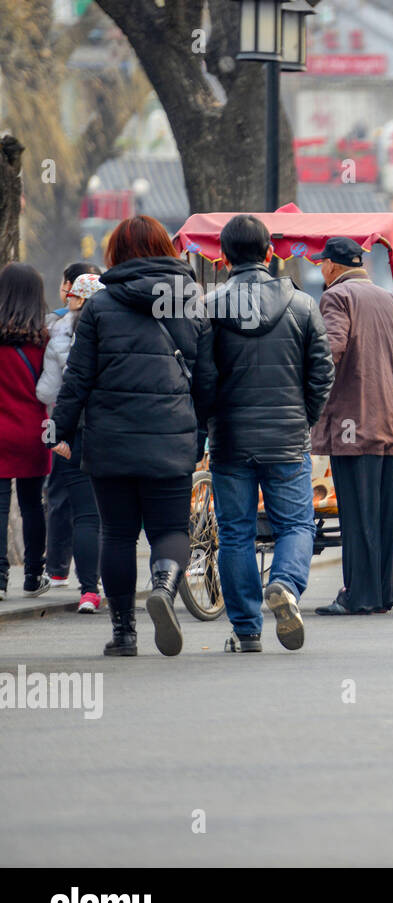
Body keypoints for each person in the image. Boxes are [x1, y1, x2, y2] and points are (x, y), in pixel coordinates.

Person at [51, 215, 217, 656]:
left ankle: (124, 632)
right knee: (169, 529)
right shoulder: (190, 302)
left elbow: (77, 378)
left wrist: (60, 429)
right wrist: (199, 432)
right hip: (172, 437)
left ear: (116, 255)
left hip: (111, 440)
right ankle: (164, 585)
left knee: (118, 534)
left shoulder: (100, 307)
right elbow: (206, 380)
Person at [203, 215, 335, 651]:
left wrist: (209, 424)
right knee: (297, 524)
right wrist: (304, 417)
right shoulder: (302, 306)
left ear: (223, 258)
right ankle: (284, 585)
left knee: (236, 532)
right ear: (269, 254)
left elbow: (202, 378)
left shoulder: (210, 308)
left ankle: (246, 630)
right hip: (286, 439)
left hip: (231, 442)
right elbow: (322, 372)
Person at [311, 237, 393, 616]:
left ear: (331, 265)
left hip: (351, 421)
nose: (321, 269)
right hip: (384, 418)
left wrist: (310, 396)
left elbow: (331, 350)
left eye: (321, 263)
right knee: (381, 513)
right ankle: (381, 593)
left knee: (356, 513)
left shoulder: (336, 296)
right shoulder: (386, 298)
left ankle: (358, 595)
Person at [36, 272, 106, 612]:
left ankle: (88, 591)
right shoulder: (116, 330)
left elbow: (48, 392)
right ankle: (113, 583)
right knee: (113, 514)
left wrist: (56, 435)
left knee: (85, 516)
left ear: (77, 299)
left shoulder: (60, 335)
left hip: (73, 433)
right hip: (113, 433)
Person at [0, 263, 53, 601]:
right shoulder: (45, 340)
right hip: (34, 434)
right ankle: (34, 574)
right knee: (34, 505)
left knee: (0, 505)